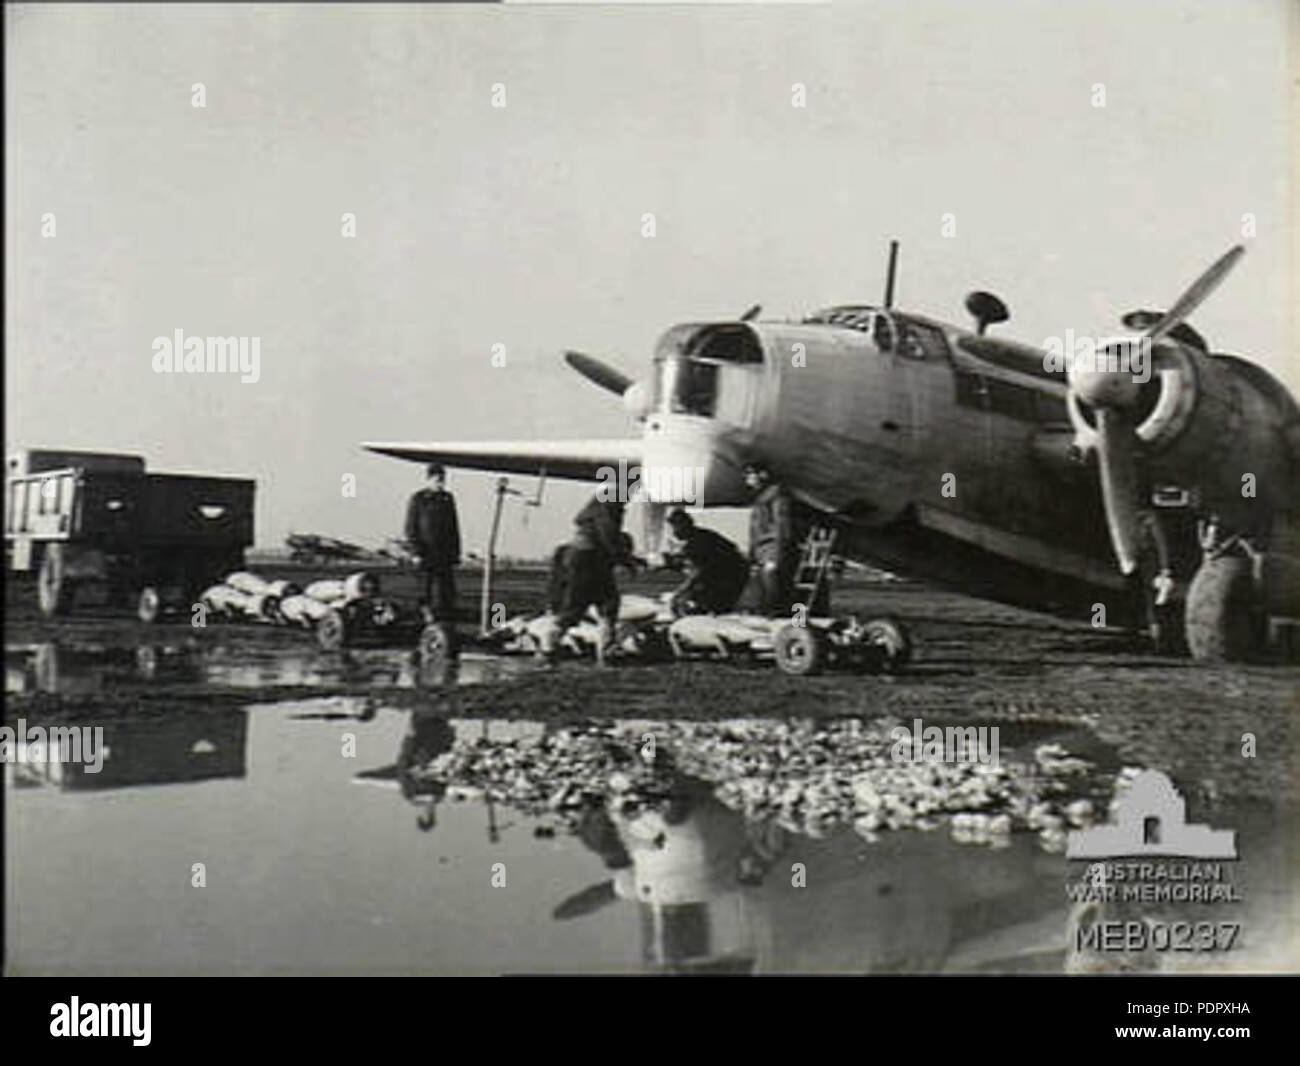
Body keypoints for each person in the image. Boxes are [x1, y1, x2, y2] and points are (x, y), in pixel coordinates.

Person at [544, 494, 636, 665]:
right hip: (590, 559)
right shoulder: (607, 507)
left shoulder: (596, 509)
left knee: (583, 605)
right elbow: (608, 536)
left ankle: (550, 645)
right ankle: (605, 650)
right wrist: (626, 559)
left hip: (586, 559)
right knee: (600, 604)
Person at [404, 463, 461, 621]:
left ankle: (444, 617)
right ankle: (424, 616)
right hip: (426, 552)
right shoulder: (418, 499)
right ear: (429, 479)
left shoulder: (448, 499)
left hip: (444, 552)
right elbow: (410, 527)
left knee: (446, 589)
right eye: (437, 479)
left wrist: (456, 553)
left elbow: (454, 527)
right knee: (425, 588)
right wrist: (415, 552)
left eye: (442, 479)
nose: (441, 483)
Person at [665, 509, 749, 615]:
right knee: (707, 601)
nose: (674, 532)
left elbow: (698, 572)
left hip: (731, 577)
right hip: (735, 574)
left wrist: (680, 592)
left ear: (685, 525)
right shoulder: (702, 535)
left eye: (675, 527)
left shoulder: (696, 542)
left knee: (712, 604)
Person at [745, 462, 798, 616]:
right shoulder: (761, 498)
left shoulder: (776, 495)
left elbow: (782, 525)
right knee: (765, 584)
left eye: (750, 476)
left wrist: (780, 551)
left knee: (774, 580)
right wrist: (752, 553)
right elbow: (755, 529)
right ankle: (769, 613)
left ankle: (780, 613)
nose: (748, 480)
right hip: (763, 549)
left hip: (773, 547)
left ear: (762, 475)